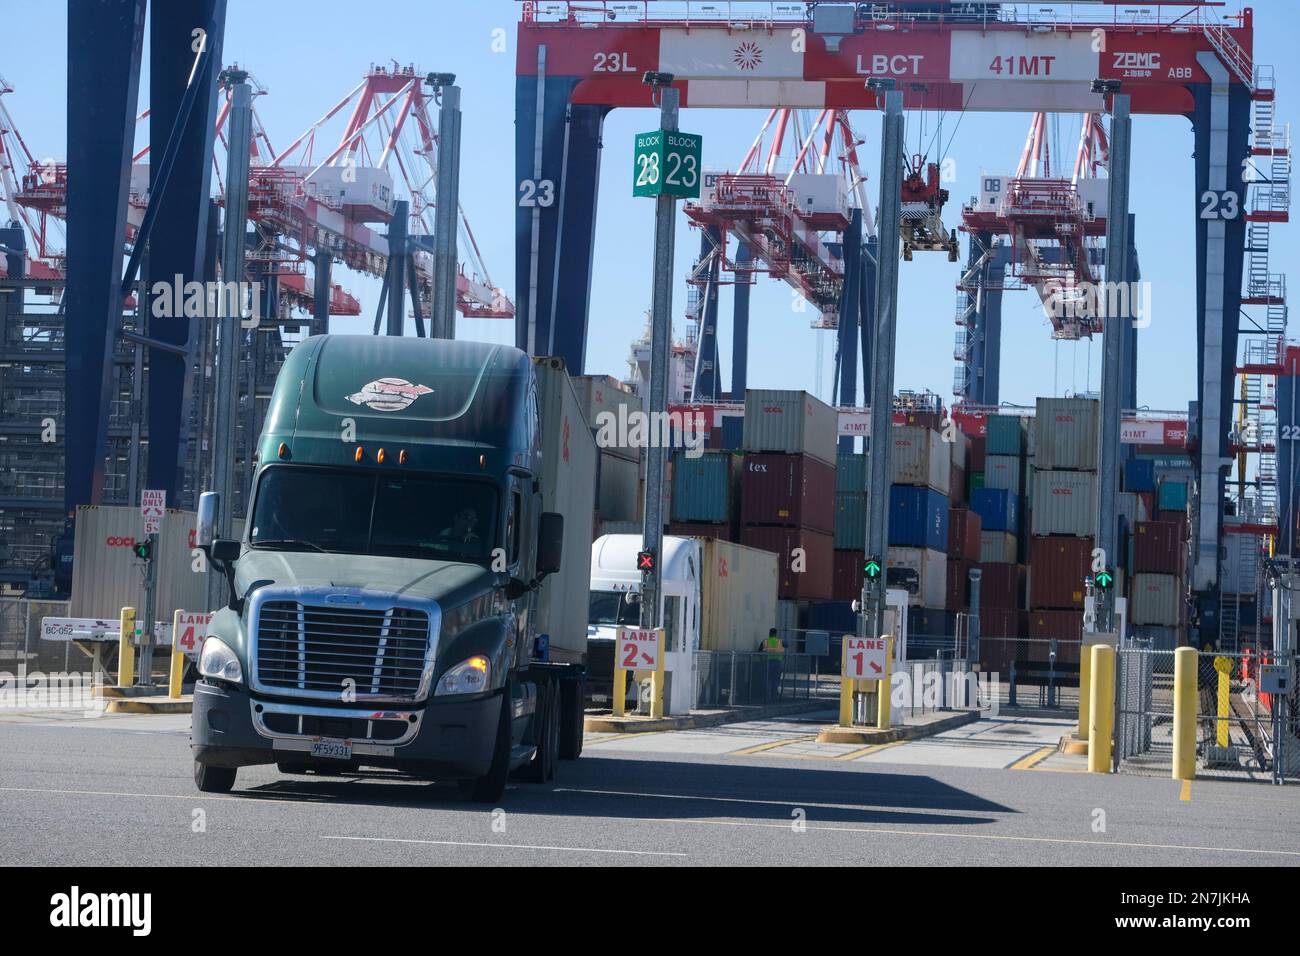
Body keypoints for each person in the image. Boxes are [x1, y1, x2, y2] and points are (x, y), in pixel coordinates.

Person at [760, 627, 784, 702]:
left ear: (769, 633)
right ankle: (775, 696)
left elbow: (759, 651)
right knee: (776, 680)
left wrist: (762, 659)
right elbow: (782, 652)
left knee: (769, 679)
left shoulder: (766, 641)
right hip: (778, 662)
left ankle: (768, 696)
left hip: (769, 662)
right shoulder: (779, 642)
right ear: (776, 634)